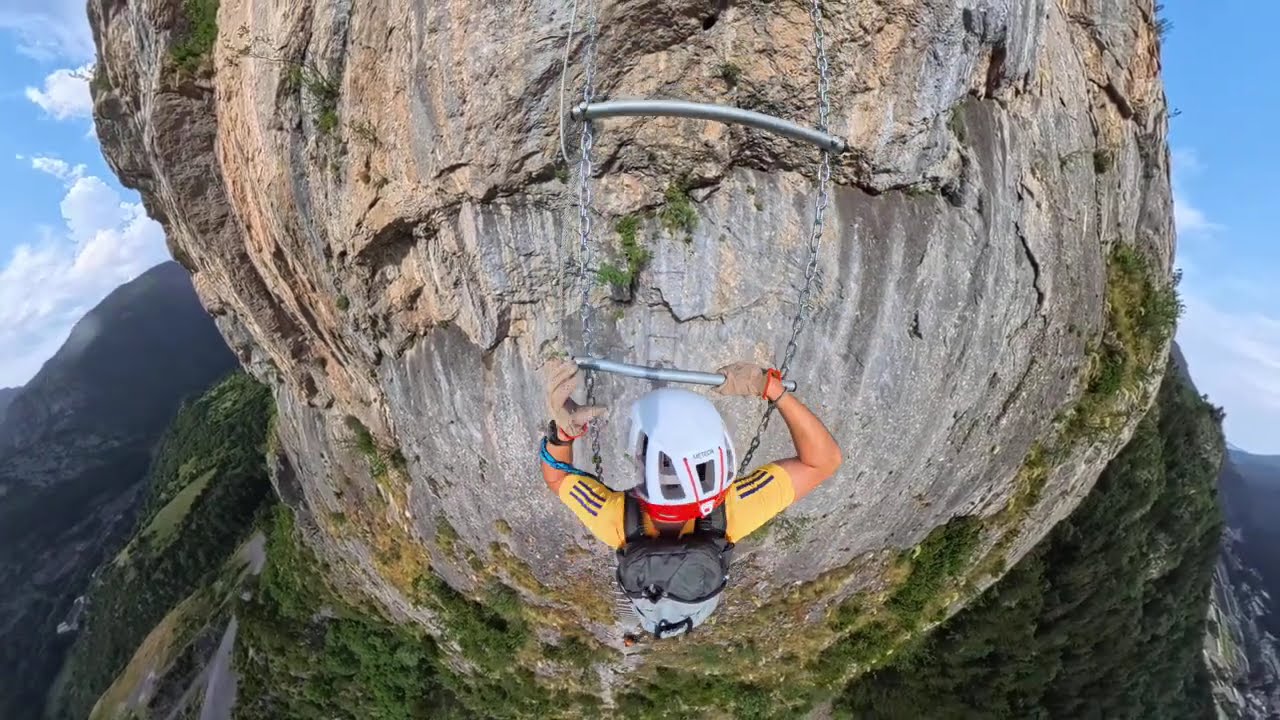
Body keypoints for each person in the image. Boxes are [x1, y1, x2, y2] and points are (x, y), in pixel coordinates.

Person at [538, 358, 842, 639]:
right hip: (673, 589)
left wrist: (563, 433)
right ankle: (658, 619)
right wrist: (773, 389)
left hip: (692, 592)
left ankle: (660, 620)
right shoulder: (620, 521)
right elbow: (823, 461)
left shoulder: (725, 515)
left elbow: (558, 477)